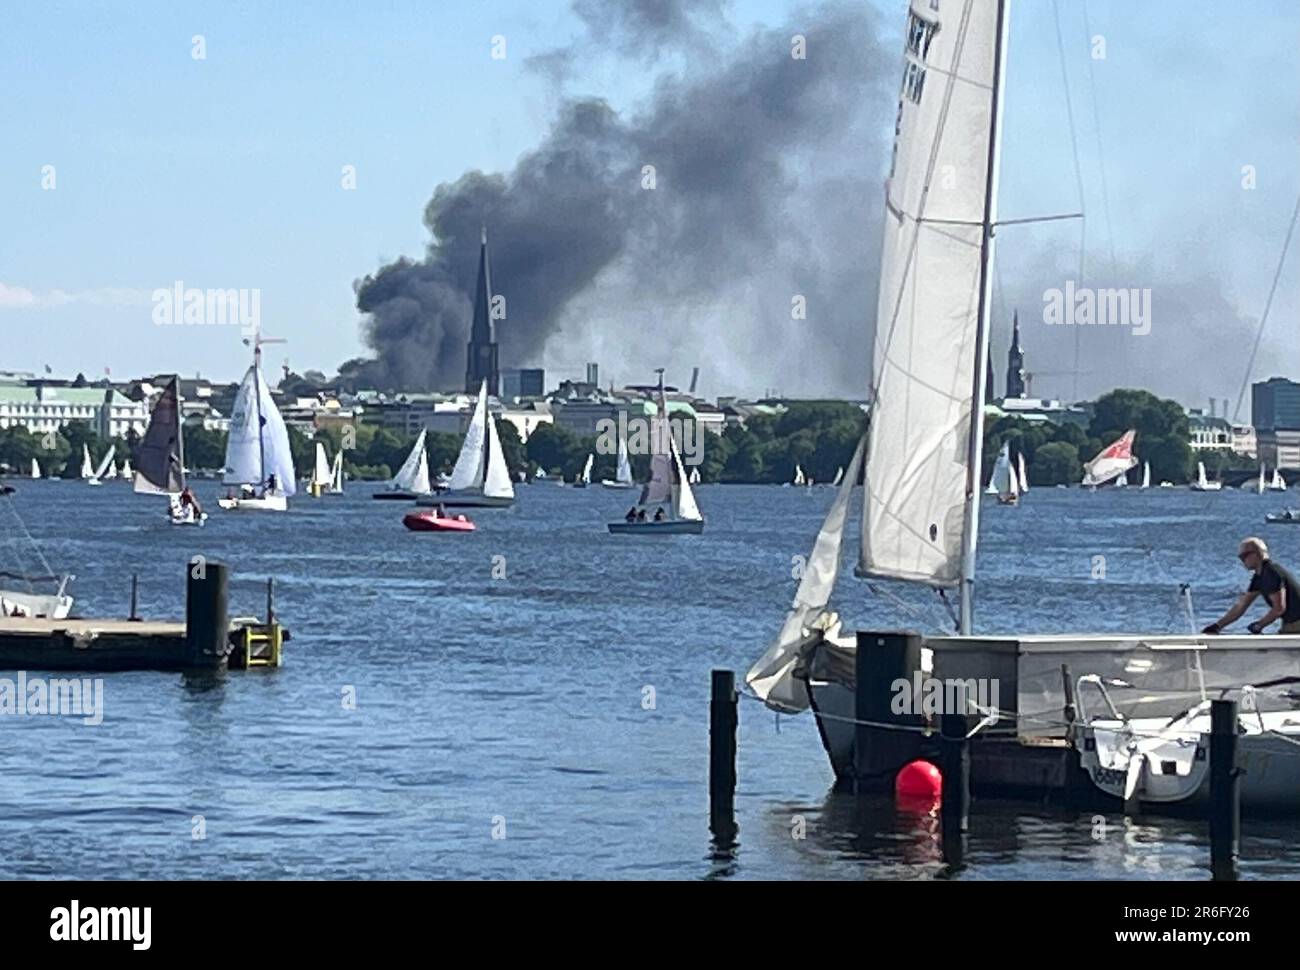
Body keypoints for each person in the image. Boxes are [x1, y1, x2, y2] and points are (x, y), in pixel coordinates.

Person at [1202, 537, 1300, 635]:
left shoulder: (1271, 573)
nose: (1243, 561)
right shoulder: (1259, 576)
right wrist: (1218, 626)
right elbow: (1241, 606)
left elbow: (1279, 608)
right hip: (1291, 623)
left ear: (1257, 553)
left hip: (1296, 623)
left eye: (1244, 556)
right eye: (1241, 558)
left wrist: (1259, 625)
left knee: (1275, 648)